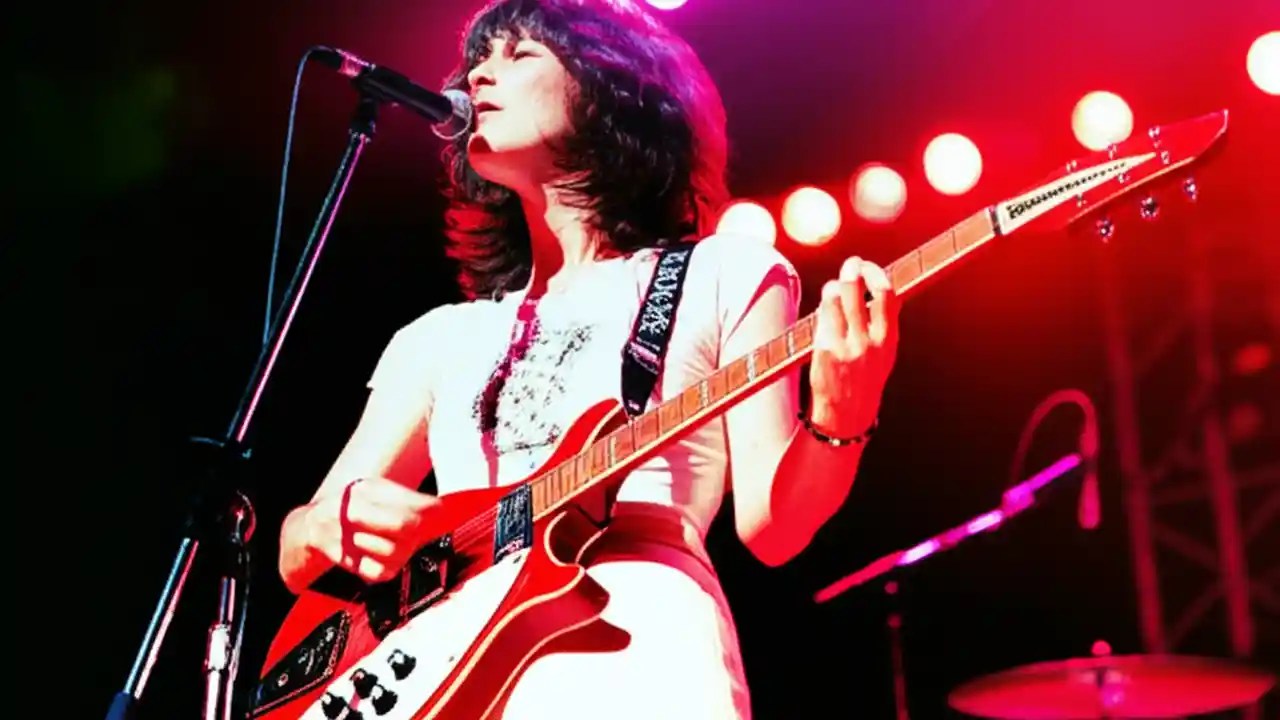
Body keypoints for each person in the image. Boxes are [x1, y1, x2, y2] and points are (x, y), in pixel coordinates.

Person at [276, 0, 900, 717]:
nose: (480, 73)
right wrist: (327, 524)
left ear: (609, 91)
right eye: (478, 58)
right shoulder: (438, 338)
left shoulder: (725, 272)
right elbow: (300, 553)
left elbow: (773, 529)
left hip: (635, 645)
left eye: (519, 55)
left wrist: (843, 413)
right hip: (443, 669)